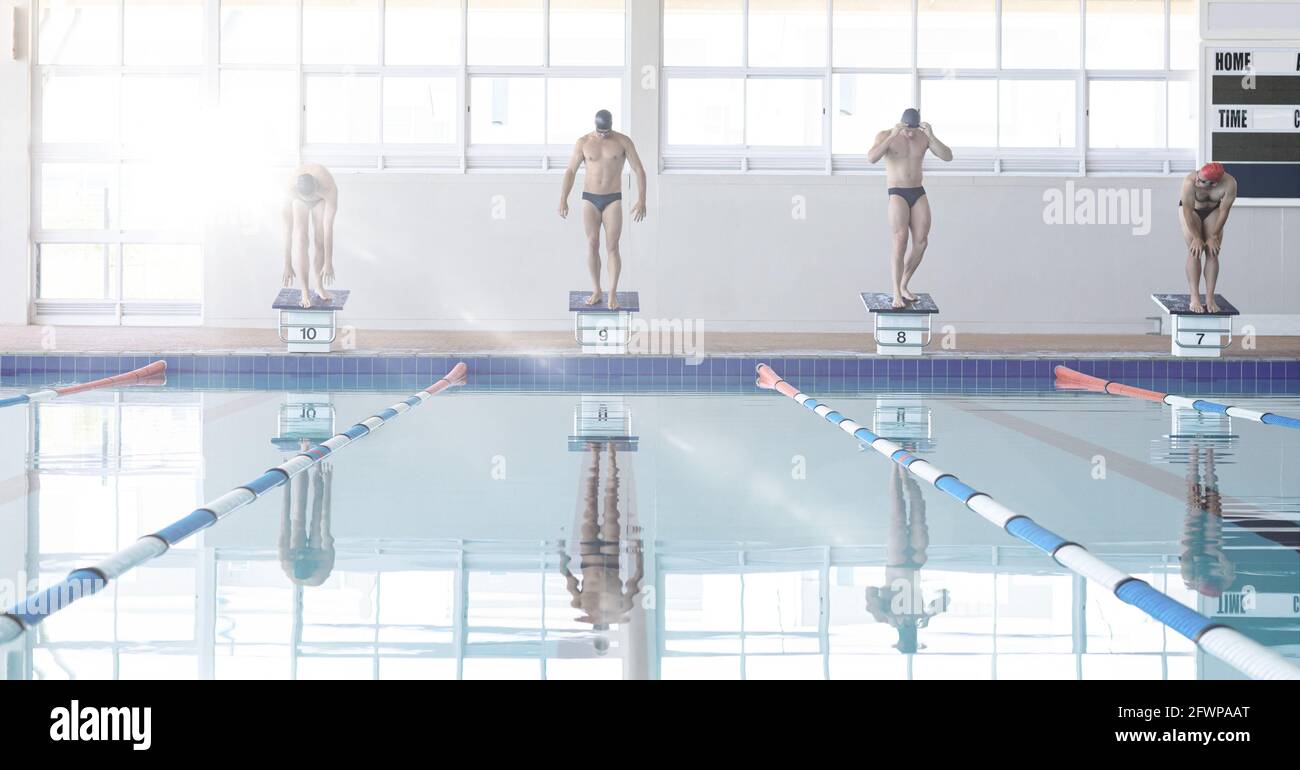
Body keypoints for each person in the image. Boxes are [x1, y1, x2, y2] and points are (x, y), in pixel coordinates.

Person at [558, 110, 648, 310]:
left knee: (612, 247)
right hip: (590, 198)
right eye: (600, 132)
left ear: (611, 126)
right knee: (592, 243)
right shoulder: (583, 142)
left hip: (613, 199)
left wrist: (642, 199)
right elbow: (570, 171)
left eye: (606, 132)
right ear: (595, 126)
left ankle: (612, 292)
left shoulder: (623, 142)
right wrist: (563, 198)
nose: (603, 135)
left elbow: (639, 169)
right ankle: (597, 289)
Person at [866, 108, 953, 309]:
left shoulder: (923, 137)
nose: (911, 134)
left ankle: (904, 285)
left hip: (917, 191)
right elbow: (871, 158)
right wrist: (893, 136)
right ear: (901, 124)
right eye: (907, 129)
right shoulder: (886, 135)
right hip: (897, 192)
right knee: (900, 240)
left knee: (922, 241)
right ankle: (896, 292)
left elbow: (948, 156)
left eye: (914, 129)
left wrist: (932, 135)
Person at [1179, 162, 1237, 313]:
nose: (1197, 181)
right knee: (1195, 250)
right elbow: (1187, 212)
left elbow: (1224, 212)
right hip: (1192, 212)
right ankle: (1195, 298)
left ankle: (1210, 298)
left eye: (1202, 182)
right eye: (1198, 177)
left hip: (1213, 211)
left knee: (1213, 252)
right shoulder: (1190, 182)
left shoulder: (1229, 184)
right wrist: (1197, 237)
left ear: (1214, 184)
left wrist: (1213, 236)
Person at [281, 163, 339, 309]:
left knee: (319, 238)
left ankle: (319, 286)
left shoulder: (328, 187)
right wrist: (287, 263)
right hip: (299, 202)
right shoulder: (289, 190)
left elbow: (328, 229)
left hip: (321, 200)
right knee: (300, 238)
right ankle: (305, 290)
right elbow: (287, 230)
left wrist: (328, 262)